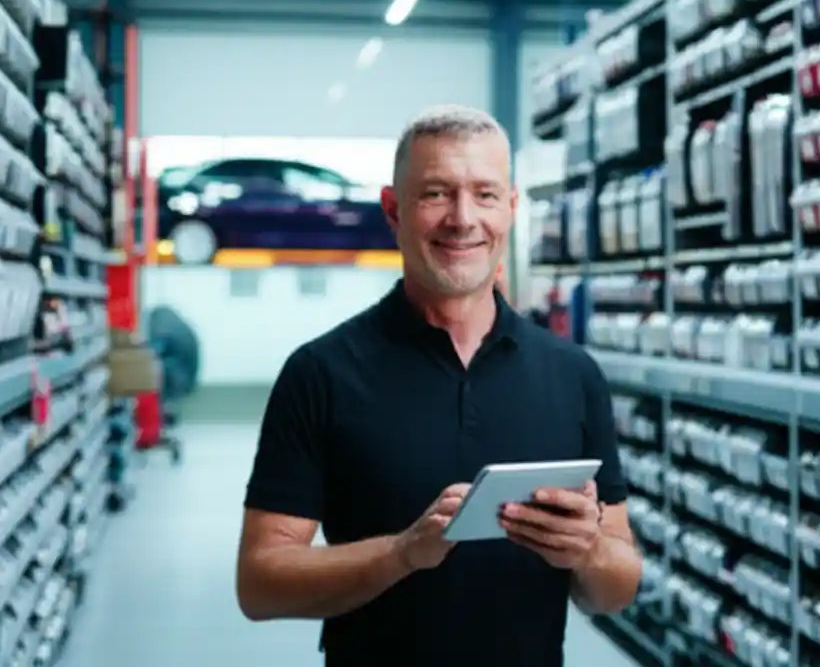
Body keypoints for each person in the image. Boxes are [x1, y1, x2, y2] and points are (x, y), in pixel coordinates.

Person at [236, 105, 641, 666]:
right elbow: (260, 583)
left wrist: (589, 550)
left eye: (485, 194)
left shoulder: (572, 375)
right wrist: (403, 553)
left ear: (512, 209)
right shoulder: (322, 373)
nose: (462, 218)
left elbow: (616, 589)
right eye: (434, 194)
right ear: (393, 211)